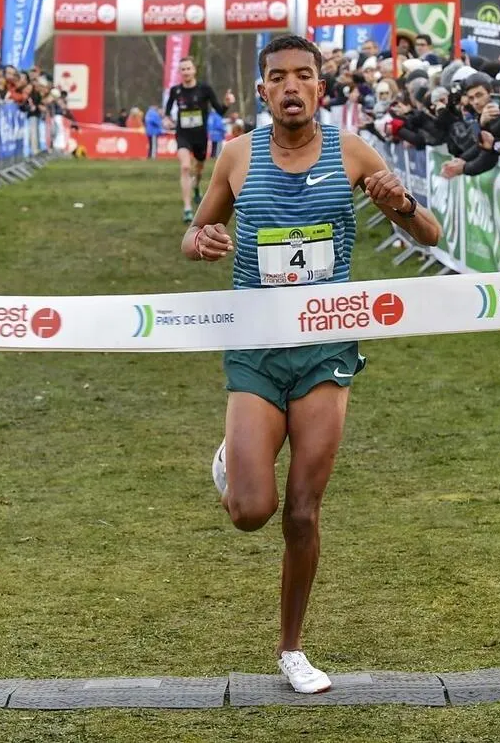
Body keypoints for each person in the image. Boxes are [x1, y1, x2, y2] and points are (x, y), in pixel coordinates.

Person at [179, 35, 441, 695]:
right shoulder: (237, 156)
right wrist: (203, 238)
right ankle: (232, 465)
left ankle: (291, 649)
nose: (291, 86)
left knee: (302, 511)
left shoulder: (352, 150)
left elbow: (430, 234)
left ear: (322, 88)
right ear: (261, 91)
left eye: (304, 75)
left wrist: (399, 204)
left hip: (327, 349)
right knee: (251, 511)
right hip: (257, 348)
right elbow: (192, 235)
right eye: (277, 77)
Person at [165, 57, 234, 223]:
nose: (186, 72)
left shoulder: (205, 89)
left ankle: (196, 186)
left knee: (198, 169)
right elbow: (167, 110)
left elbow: (219, 110)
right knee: (185, 167)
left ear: (194, 70)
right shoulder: (175, 91)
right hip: (183, 134)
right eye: (183, 69)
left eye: (188, 68)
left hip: (200, 136)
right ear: (180, 72)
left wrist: (227, 103)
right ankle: (187, 208)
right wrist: (166, 119)